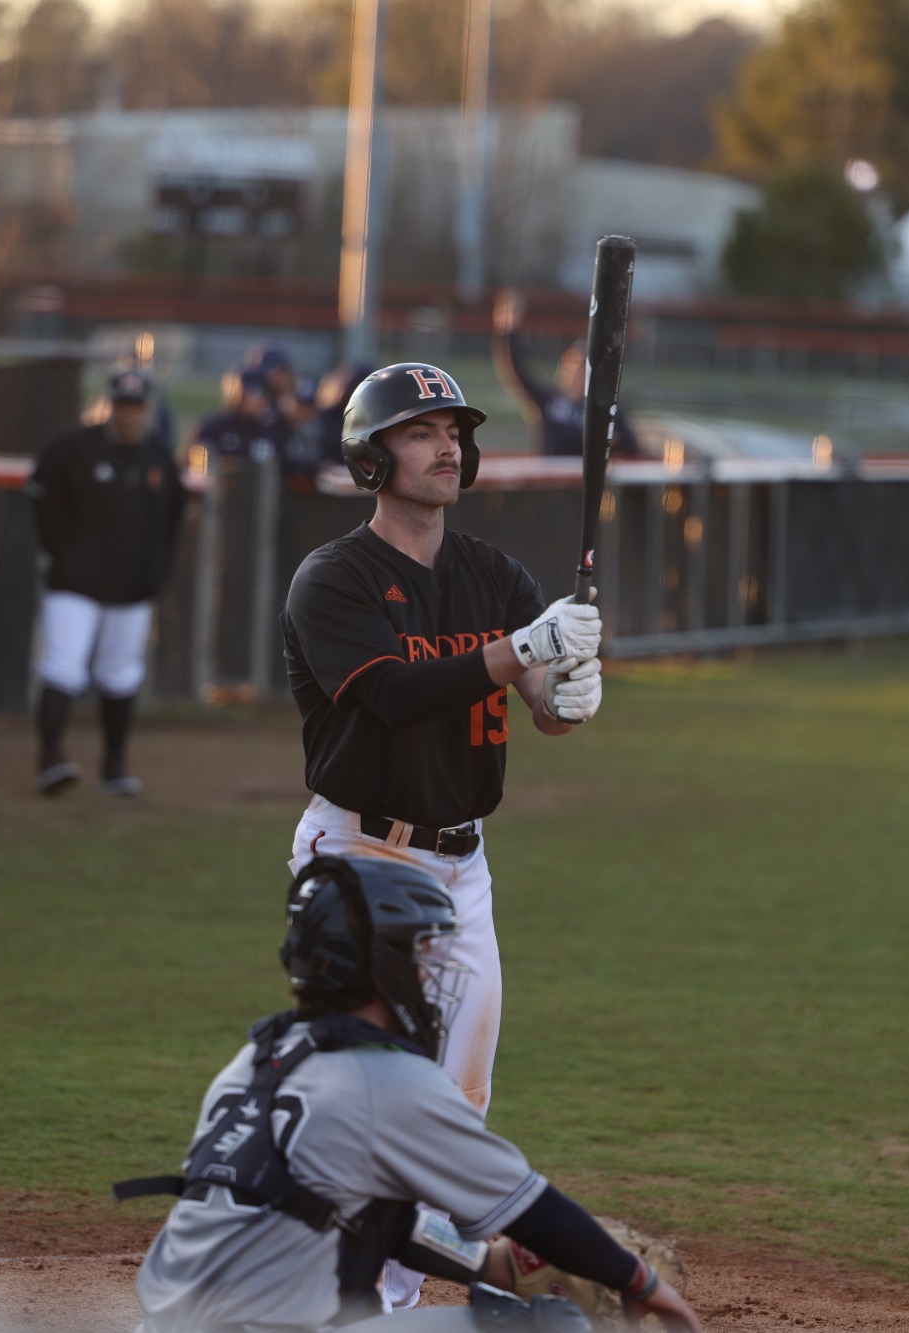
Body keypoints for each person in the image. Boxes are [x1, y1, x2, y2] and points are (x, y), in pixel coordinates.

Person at [281, 361, 604, 1310]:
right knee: (378, 1093)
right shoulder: (332, 579)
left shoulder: (491, 573)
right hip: (357, 860)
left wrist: (569, 693)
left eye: (456, 430)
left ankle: (391, 1289)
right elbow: (393, 694)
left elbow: (537, 698)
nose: (448, 446)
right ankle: (343, 1294)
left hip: (461, 866)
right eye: (423, 431)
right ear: (373, 457)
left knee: (459, 1100)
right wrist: (523, 653)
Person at [123, 855, 703, 1333]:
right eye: (421, 955)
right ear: (381, 966)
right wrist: (644, 1286)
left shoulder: (259, 1057)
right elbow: (535, 1212)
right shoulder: (388, 1080)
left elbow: (357, 1217)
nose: (432, 977)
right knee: (554, 1329)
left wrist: (489, 1264)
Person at [28, 368, 187, 797]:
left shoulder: (157, 456)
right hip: (74, 583)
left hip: (131, 587)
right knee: (63, 665)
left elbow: (172, 518)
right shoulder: (74, 448)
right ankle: (50, 759)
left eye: (135, 406)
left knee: (120, 674)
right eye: (121, 405)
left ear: (148, 408)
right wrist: (63, 555)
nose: (128, 414)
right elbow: (42, 500)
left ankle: (114, 765)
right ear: (109, 404)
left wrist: (156, 570)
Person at [492, 289, 641, 459]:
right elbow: (517, 372)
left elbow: (633, 448)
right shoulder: (549, 401)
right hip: (550, 478)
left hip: (585, 481)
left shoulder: (603, 410)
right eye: (572, 363)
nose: (576, 370)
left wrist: (613, 442)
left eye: (583, 365)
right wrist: (508, 330)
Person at [191, 367, 287, 466]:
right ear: (236, 393)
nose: (261, 400)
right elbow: (189, 470)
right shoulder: (212, 430)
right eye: (253, 393)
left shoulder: (273, 433)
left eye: (265, 393)